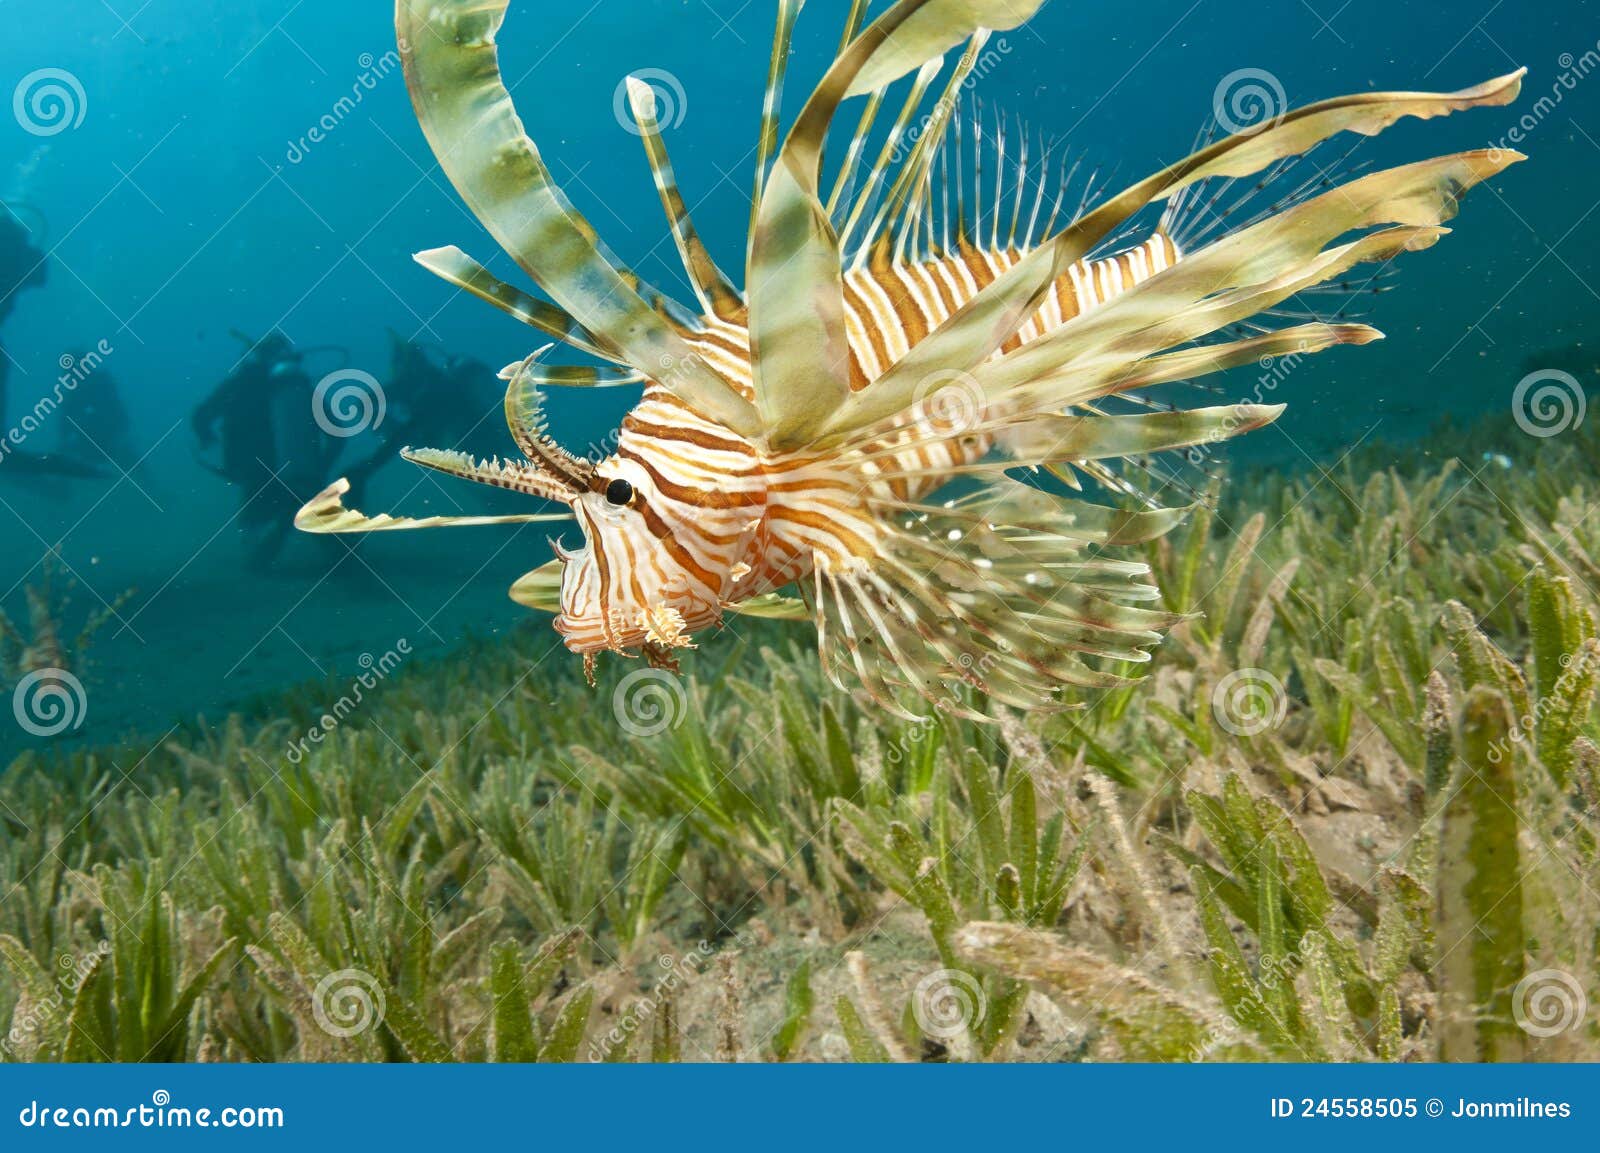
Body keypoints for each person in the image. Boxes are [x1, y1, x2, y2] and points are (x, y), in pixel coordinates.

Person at [193, 332, 340, 569]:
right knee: (307, 509)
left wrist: (206, 438)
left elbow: (202, 414)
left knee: (256, 522)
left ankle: (260, 555)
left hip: (255, 471)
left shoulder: (240, 384)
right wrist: (321, 465)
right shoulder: (298, 387)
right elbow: (336, 432)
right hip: (299, 468)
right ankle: (338, 557)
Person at [341, 335, 501, 506]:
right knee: (492, 484)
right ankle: (507, 510)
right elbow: (367, 403)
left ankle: (507, 510)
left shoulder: (423, 386)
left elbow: (404, 427)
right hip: (478, 438)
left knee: (490, 487)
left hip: (462, 439)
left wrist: (370, 463)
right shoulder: (431, 382)